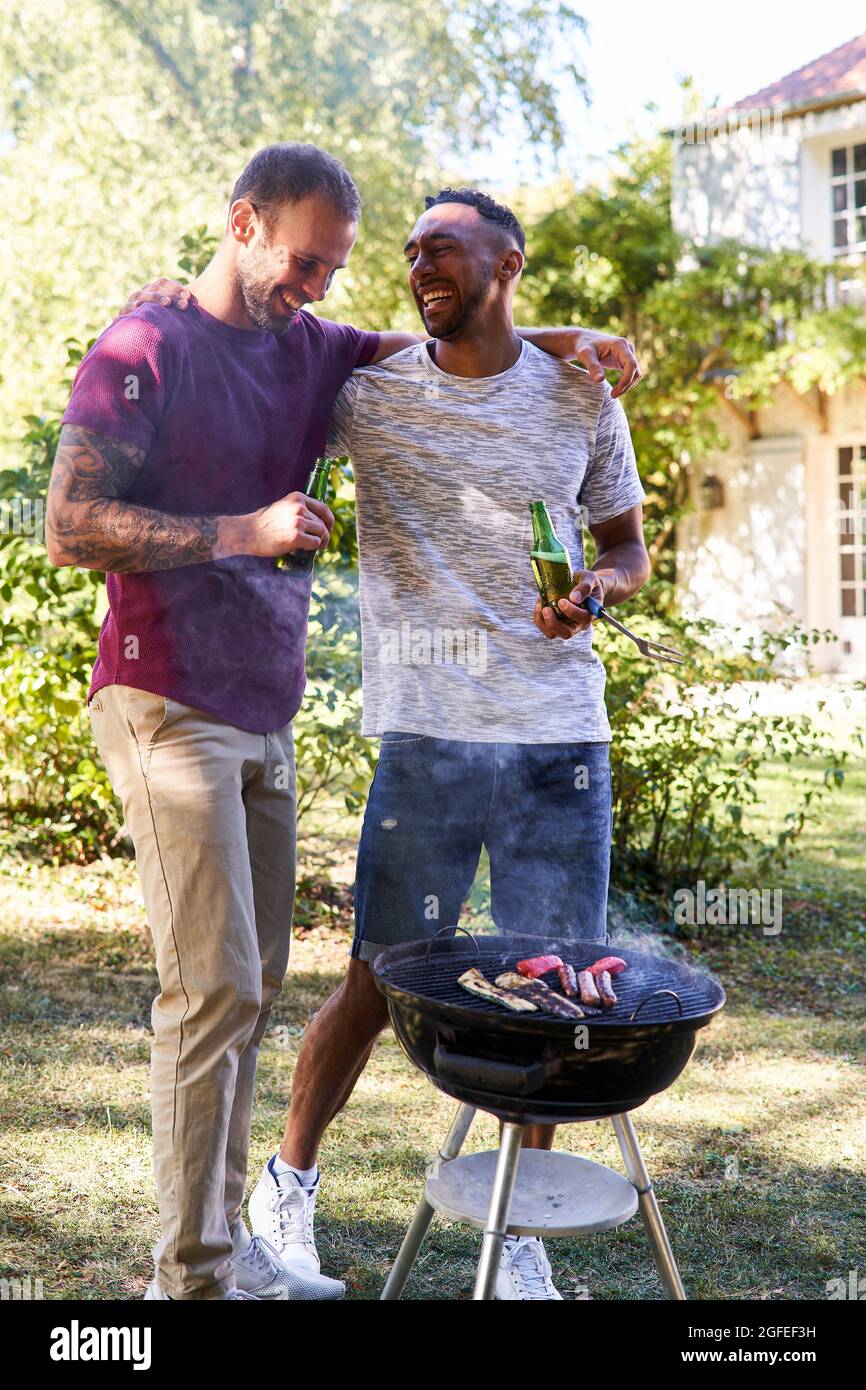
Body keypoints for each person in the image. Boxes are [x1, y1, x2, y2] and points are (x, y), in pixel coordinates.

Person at [50, 143, 641, 1301]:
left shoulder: (404, 369)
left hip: (415, 721)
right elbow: (72, 518)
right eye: (314, 258)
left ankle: (430, 1230)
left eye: (341, 265)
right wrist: (240, 520)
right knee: (294, 982)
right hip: (278, 712)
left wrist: (572, 349)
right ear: (242, 224)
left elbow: (494, 388)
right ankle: (234, 1242)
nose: (332, 283)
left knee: (299, 982)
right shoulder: (239, 362)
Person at [250, 188, 650, 1301]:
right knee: (377, 980)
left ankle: (516, 1227)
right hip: (426, 733)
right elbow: (267, 348)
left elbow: (627, 543)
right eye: (410, 250)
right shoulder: (369, 394)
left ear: (507, 260)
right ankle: (287, 1187)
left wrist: (598, 587)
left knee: (554, 985)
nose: (418, 263)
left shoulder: (577, 396)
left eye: (442, 246)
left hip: (557, 734)